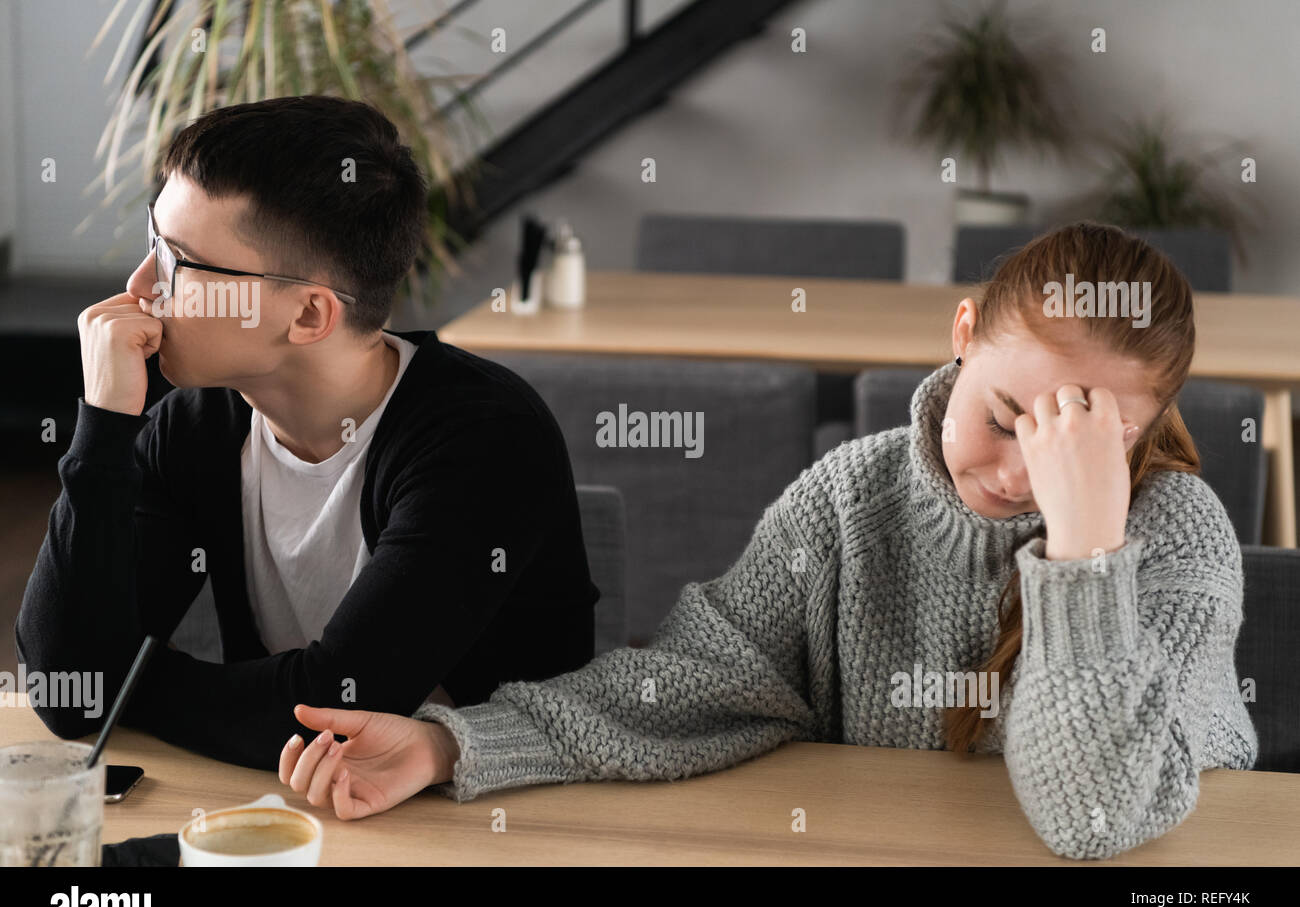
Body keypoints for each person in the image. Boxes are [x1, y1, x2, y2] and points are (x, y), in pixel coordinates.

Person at [278, 222, 1257, 860]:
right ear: (961, 330)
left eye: (1078, 442)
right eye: (1004, 418)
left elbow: (1090, 818)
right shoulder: (848, 497)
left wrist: (1086, 544)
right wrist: (452, 744)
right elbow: (698, 678)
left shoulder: (1171, 534)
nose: (1014, 475)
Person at [16, 95, 598, 769]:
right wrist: (105, 426)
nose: (140, 285)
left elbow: (337, 709)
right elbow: (69, 694)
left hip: (497, 825)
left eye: (178, 261)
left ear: (309, 315)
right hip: (288, 815)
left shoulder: (484, 440)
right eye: (153, 242)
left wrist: (130, 686)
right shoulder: (196, 427)